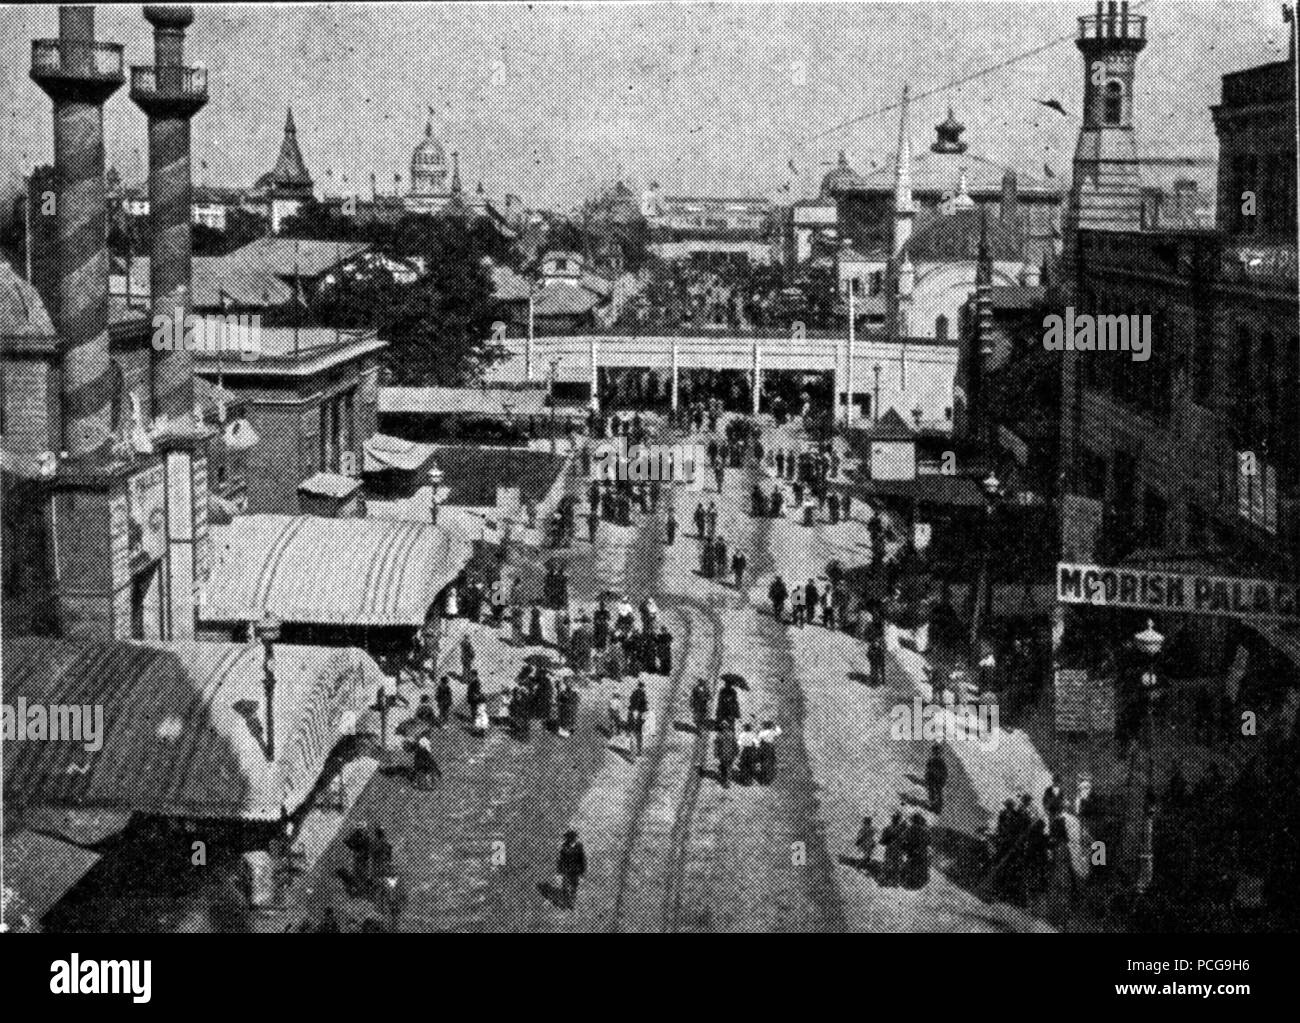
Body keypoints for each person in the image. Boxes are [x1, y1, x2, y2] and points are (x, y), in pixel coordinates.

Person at [555, 830, 587, 910]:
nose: (570, 839)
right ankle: (565, 903)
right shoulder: (564, 846)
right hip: (566, 869)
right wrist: (559, 870)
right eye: (568, 838)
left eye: (572, 838)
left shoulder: (579, 846)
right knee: (565, 887)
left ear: (575, 838)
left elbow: (582, 859)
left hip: (576, 870)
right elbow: (561, 859)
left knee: (574, 887)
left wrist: (583, 871)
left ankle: (572, 903)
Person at [880, 811, 905, 884]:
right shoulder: (902, 829)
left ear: (892, 820)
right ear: (899, 820)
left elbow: (882, 841)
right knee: (897, 863)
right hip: (899, 849)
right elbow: (905, 839)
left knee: (888, 862)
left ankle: (885, 878)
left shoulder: (887, 828)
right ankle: (896, 880)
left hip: (890, 848)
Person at [628, 680, 649, 757]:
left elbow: (630, 703)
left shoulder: (633, 693)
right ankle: (639, 752)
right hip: (639, 715)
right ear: (642, 687)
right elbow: (645, 706)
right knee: (639, 734)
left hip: (632, 714)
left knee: (633, 734)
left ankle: (632, 753)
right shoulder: (643, 694)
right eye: (643, 687)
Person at [757, 719, 782, 784]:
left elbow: (758, 741)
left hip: (763, 747)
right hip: (770, 748)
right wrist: (775, 725)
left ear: (764, 726)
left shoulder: (761, 732)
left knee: (763, 763)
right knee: (770, 763)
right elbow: (780, 732)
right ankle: (769, 779)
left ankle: (763, 779)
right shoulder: (772, 732)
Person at [925, 744, 949, 813]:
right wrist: (927, 778)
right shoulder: (931, 761)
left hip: (939, 780)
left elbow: (945, 772)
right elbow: (927, 770)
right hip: (931, 779)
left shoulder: (941, 762)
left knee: (938, 793)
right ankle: (933, 805)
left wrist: (943, 780)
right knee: (931, 793)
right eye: (935, 752)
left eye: (938, 753)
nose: (936, 754)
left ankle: (938, 808)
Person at [715, 722, 738, 787]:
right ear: (727, 727)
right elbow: (735, 744)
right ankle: (728, 781)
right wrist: (736, 752)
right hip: (731, 753)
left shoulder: (719, 735)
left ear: (722, 727)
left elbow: (717, 746)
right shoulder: (732, 734)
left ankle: (724, 782)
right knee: (729, 767)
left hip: (722, 754)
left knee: (723, 767)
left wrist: (716, 754)